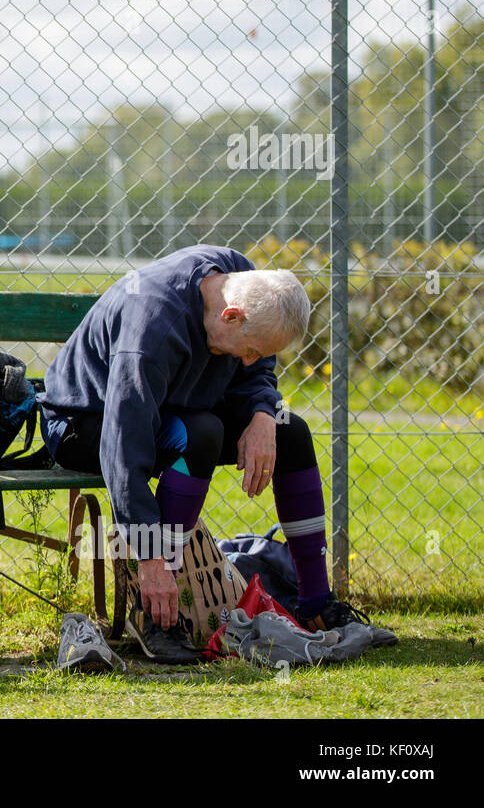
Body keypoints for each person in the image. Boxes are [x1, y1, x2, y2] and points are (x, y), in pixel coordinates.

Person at [38, 244, 392, 662]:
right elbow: (122, 442)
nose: (251, 359)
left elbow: (258, 371)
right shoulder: (152, 325)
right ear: (230, 316)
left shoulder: (239, 279)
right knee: (200, 433)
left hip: (168, 407)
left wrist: (263, 411)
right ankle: (154, 614)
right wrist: (150, 560)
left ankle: (316, 605)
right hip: (87, 424)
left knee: (289, 430)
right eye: (251, 348)